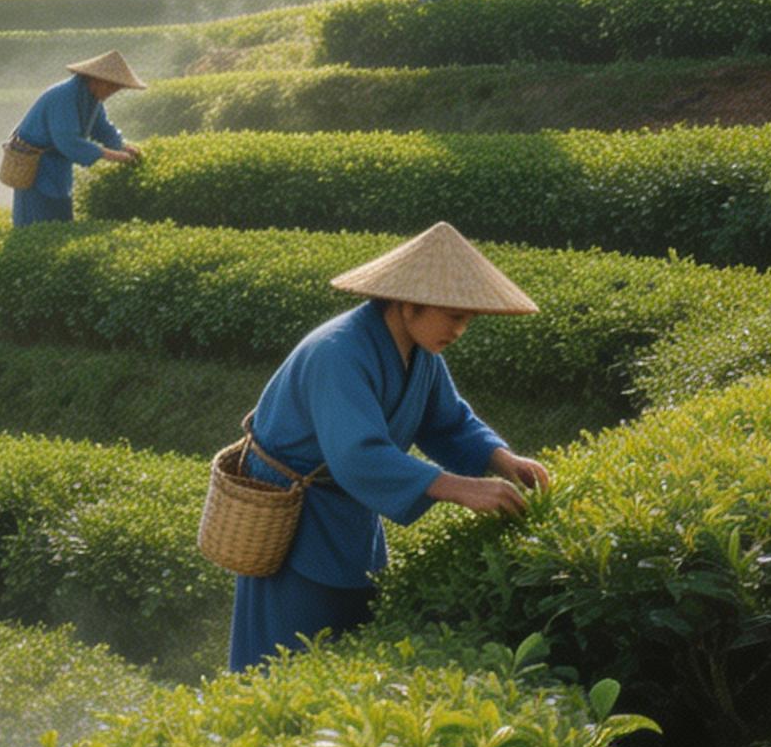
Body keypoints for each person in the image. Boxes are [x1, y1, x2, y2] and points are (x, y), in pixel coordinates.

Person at [227, 223, 551, 673]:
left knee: (347, 647)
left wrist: (502, 460)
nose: (460, 330)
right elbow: (357, 454)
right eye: (454, 315)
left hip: (349, 521)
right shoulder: (337, 353)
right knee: (286, 657)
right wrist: (459, 487)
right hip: (297, 524)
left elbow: (449, 421)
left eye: (468, 319)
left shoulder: (421, 355)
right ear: (407, 303)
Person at [8, 50, 146, 226]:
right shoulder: (64, 96)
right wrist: (111, 155)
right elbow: (67, 141)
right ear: (97, 80)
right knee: (36, 217)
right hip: (37, 166)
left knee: (61, 215)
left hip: (58, 166)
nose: (113, 92)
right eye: (112, 86)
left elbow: (102, 128)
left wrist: (121, 146)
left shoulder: (92, 98)